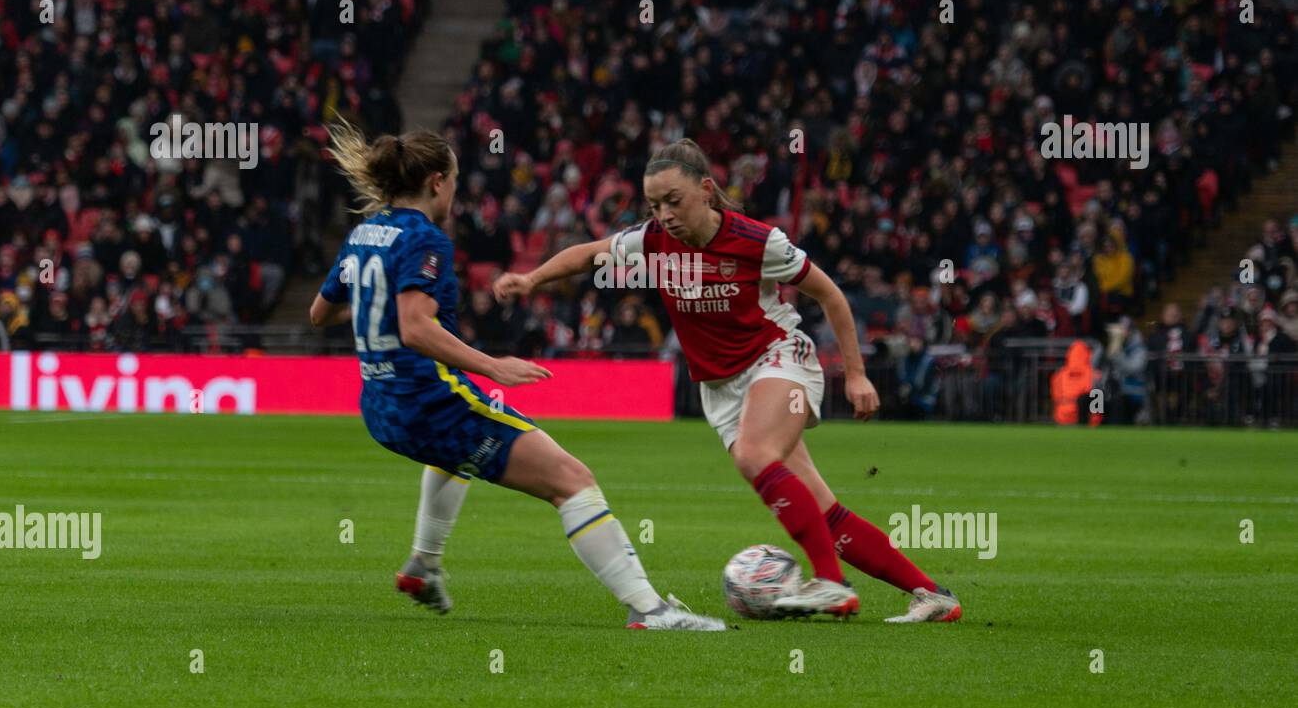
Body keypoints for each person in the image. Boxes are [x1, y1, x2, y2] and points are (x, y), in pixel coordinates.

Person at [496, 139, 961, 623]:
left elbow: (830, 295)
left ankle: (831, 584)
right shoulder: (652, 241)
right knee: (823, 513)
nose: (664, 214)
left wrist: (858, 374)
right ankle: (932, 594)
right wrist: (532, 280)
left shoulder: (758, 241)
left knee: (753, 456)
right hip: (722, 389)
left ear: (706, 189)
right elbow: (588, 254)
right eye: (655, 205)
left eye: (673, 201)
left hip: (780, 359)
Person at [309, 122, 724, 632]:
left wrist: (372, 296)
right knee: (572, 482)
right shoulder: (424, 239)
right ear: (438, 182)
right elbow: (415, 327)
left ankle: (424, 564)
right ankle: (650, 610)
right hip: (431, 402)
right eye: (456, 181)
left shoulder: (363, 234)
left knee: (454, 459)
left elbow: (319, 314)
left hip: (380, 404)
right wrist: (492, 365)